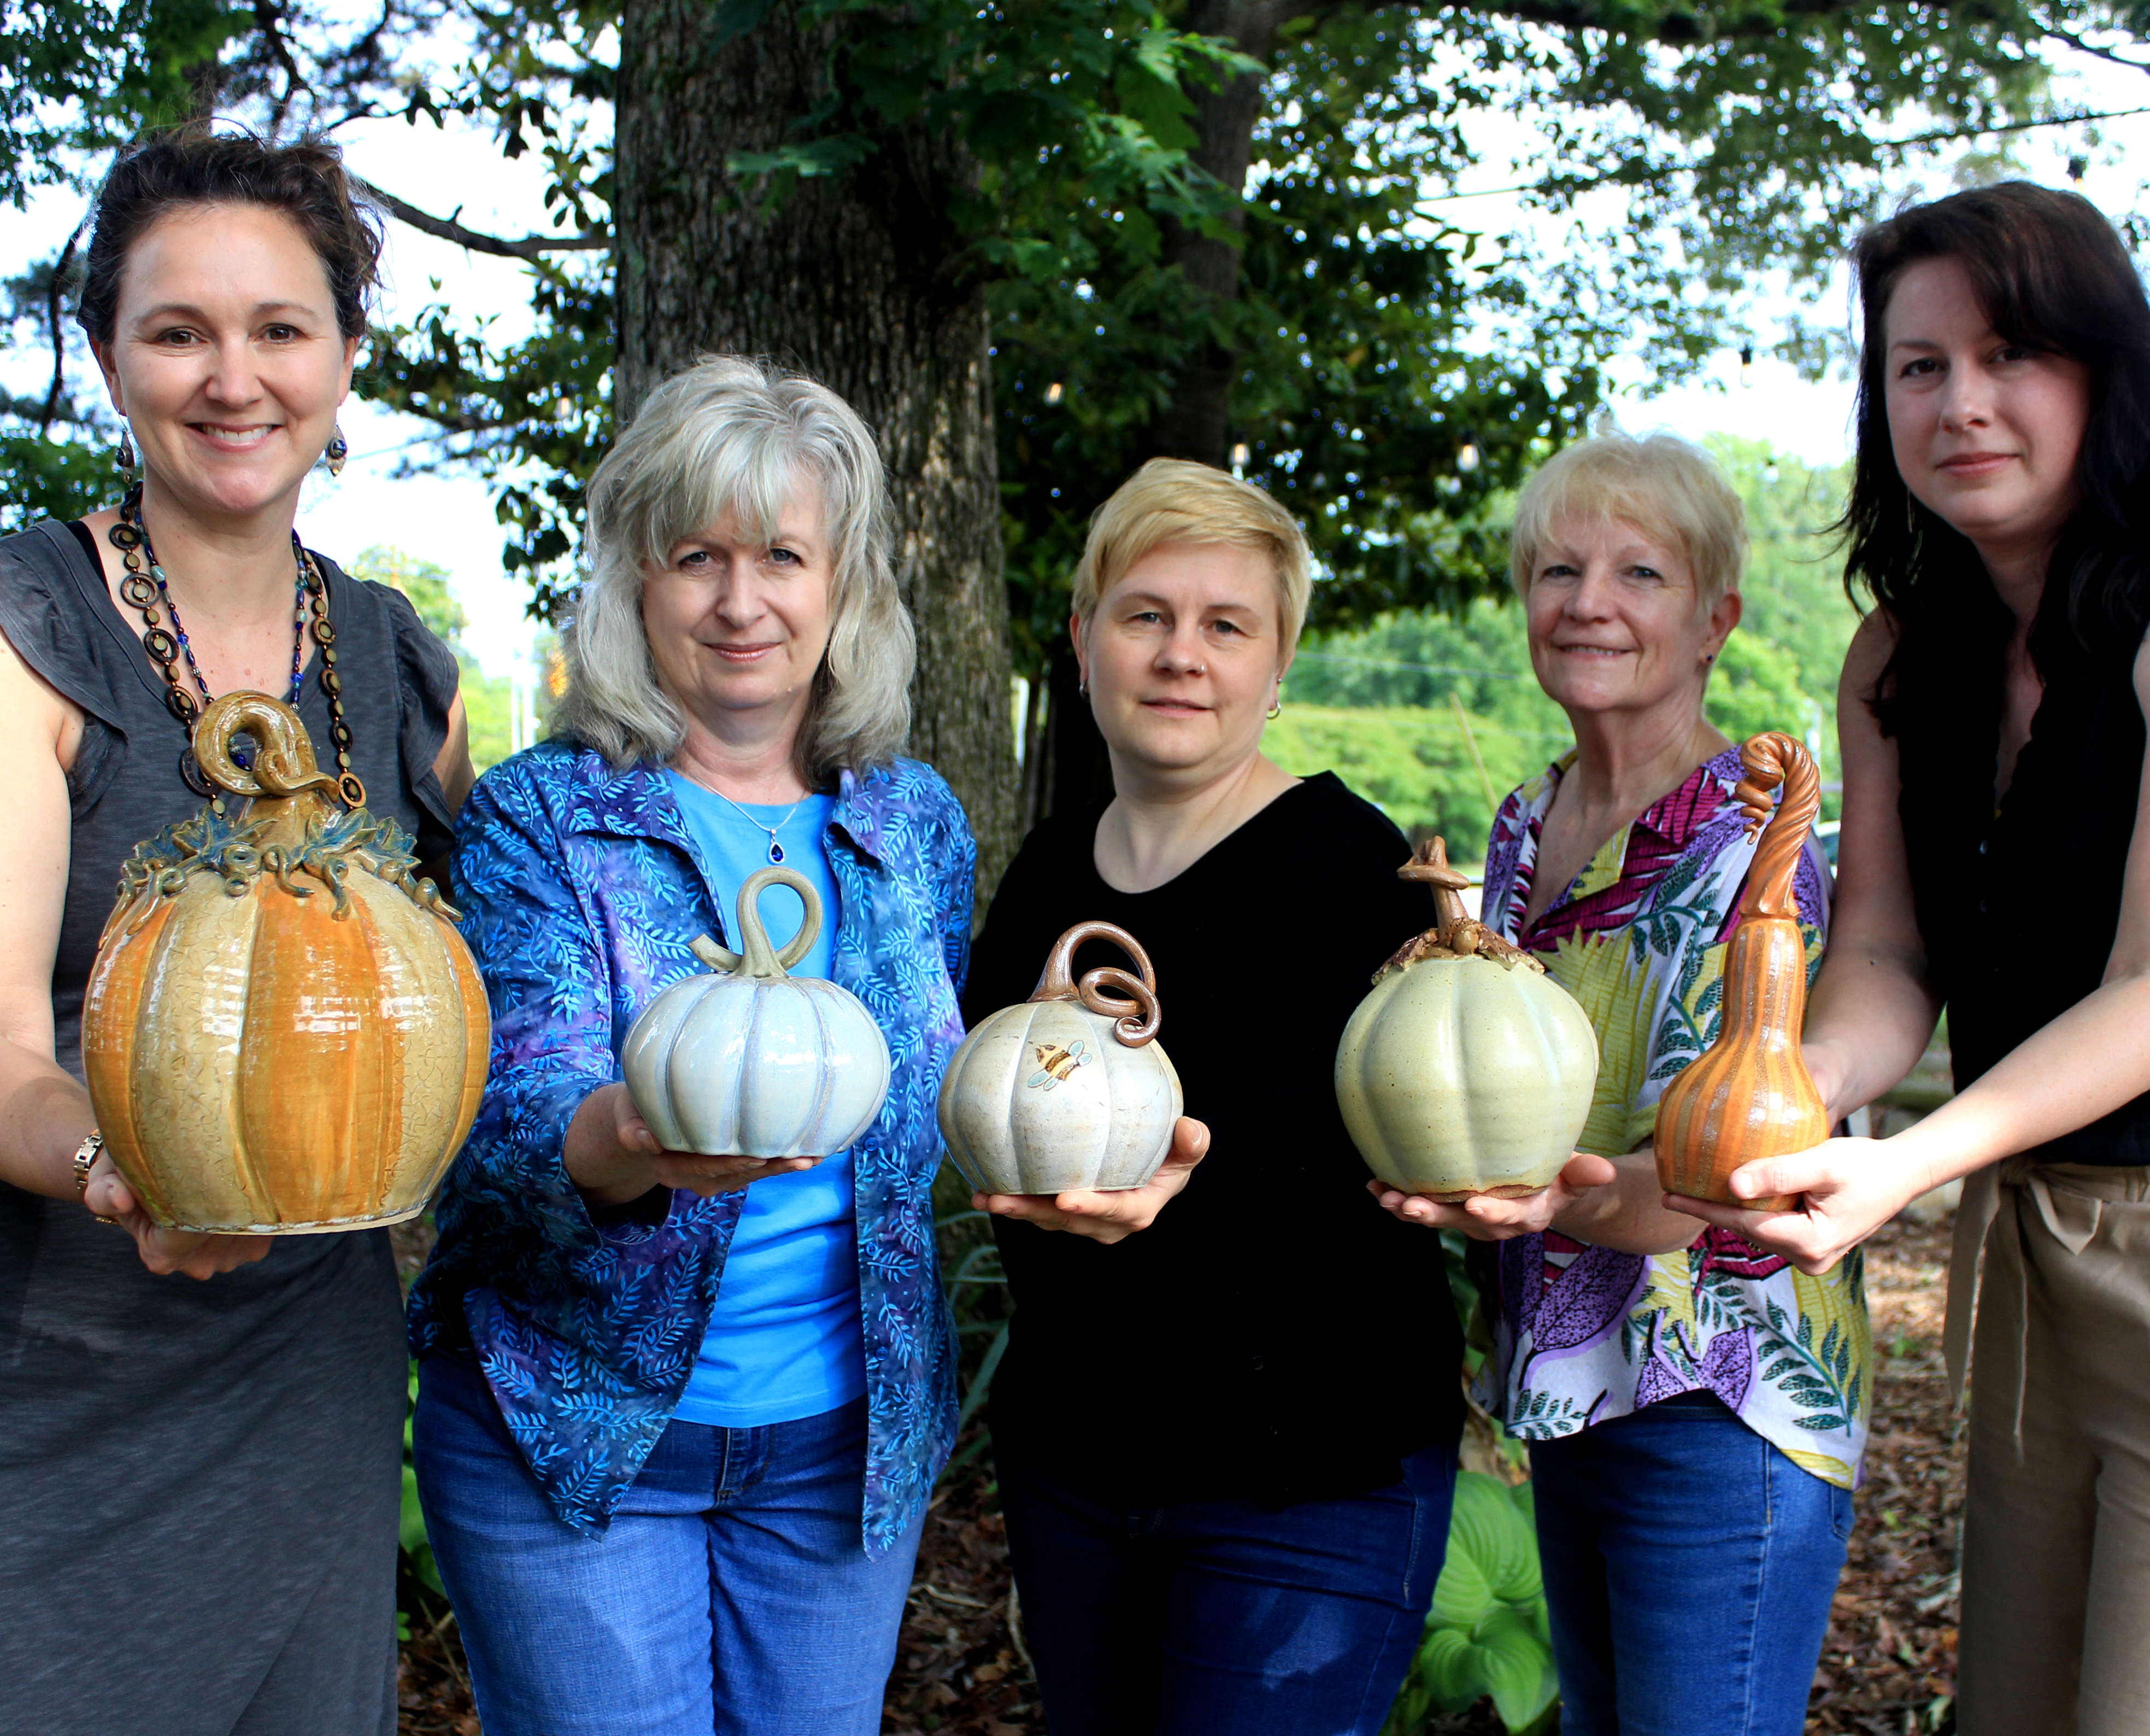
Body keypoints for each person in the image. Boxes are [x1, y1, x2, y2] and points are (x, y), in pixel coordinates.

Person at [407, 355, 974, 1736]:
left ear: (842, 584)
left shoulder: (913, 825)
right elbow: (504, 1112)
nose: (739, 600)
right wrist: (626, 1140)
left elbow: (928, 1098)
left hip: (840, 1445)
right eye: (696, 556)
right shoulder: (542, 816)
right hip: (577, 1425)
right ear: (635, 580)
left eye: (781, 554)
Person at [0, 128, 472, 1734]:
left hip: (311, 1377)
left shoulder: (398, 664)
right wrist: (113, 1166)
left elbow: (456, 991)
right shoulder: (30, 630)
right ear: (108, 358)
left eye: (279, 327)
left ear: (343, 354)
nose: (233, 378)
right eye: (177, 331)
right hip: (60, 1388)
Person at [1672, 183, 2150, 1736]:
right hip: (2029, 1248)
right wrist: (1787, 1091)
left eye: (2009, 354)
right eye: (1916, 365)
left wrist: (1905, 1164)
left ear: (2103, 370)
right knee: (2016, 1700)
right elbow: (1883, 949)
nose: (1959, 404)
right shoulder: (1896, 655)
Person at [1372, 431, 1864, 1735]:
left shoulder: (1752, 841)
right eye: (1557, 570)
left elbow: (1739, 1167)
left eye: (1637, 573)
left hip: (1714, 1388)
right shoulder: (1521, 823)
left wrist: (1542, 1198)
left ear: (1714, 621)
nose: (1587, 601)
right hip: (1570, 1373)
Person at [965, 457, 1456, 1736]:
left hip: (1303, 1473)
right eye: (1146, 614)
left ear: (1275, 664)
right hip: (1077, 1462)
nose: (1181, 654)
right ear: (1084, 640)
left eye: (1226, 625)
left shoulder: (1349, 865)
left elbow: (1375, 1129)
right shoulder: (1045, 877)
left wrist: (1196, 1159)